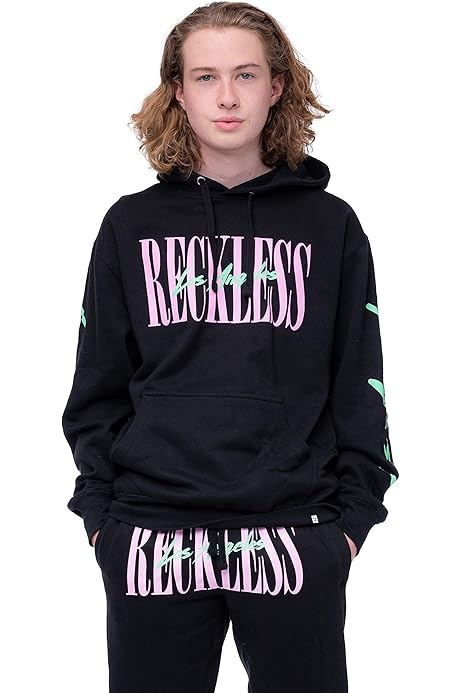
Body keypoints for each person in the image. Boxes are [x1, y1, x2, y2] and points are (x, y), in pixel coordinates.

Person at [61, 2, 399, 691]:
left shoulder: (330, 225)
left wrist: (351, 523)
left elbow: (359, 379)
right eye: (205, 76)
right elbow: (98, 382)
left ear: (277, 87)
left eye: (245, 75)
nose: (226, 97)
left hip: (293, 533)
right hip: (152, 536)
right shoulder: (130, 225)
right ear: (177, 92)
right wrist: (102, 518)